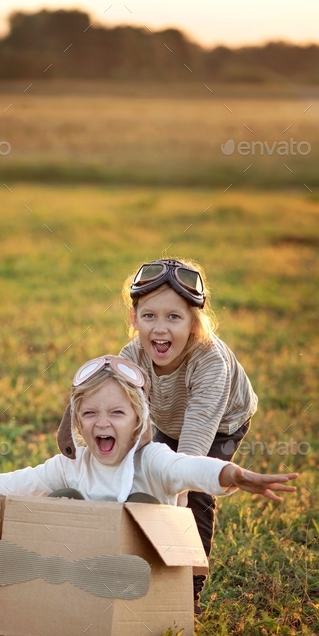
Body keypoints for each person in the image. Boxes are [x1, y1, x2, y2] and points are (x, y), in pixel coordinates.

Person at [0, 357, 295, 615]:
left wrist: (235, 475)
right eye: (90, 413)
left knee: (142, 502)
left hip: (146, 586)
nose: (103, 423)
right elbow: (7, 485)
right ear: (77, 423)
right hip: (86, 584)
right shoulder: (73, 467)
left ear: (138, 422)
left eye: (116, 412)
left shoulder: (151, 460)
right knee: (58, 498)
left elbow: (192, 468)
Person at [117, 258, 258, 610]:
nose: (159, 329)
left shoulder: (210, 362)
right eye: (149, 316)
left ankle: (188, 587)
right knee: (143, 480)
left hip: (221, 422)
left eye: (174, 317)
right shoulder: (131, 356)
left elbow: (190, 462)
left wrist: (174, 501)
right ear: (134, 319)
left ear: (195, 324)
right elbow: (115, 417)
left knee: (193, 494)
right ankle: (136, 567)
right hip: (166, 419)